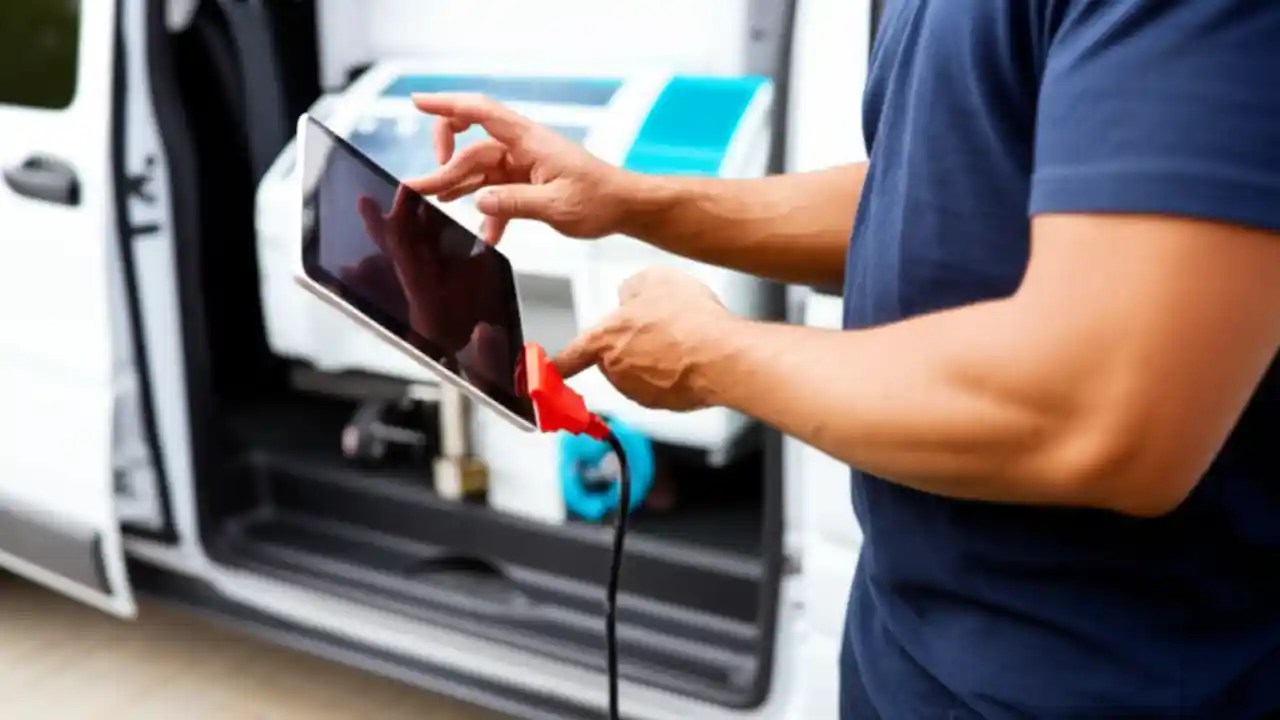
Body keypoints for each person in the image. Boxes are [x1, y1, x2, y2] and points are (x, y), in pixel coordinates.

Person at [406, 2, 1280, 717]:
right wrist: (633, 201)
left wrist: (718, 358)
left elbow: (1100, 410)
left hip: (1108, 685)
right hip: (905, 646)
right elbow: (946, 187)